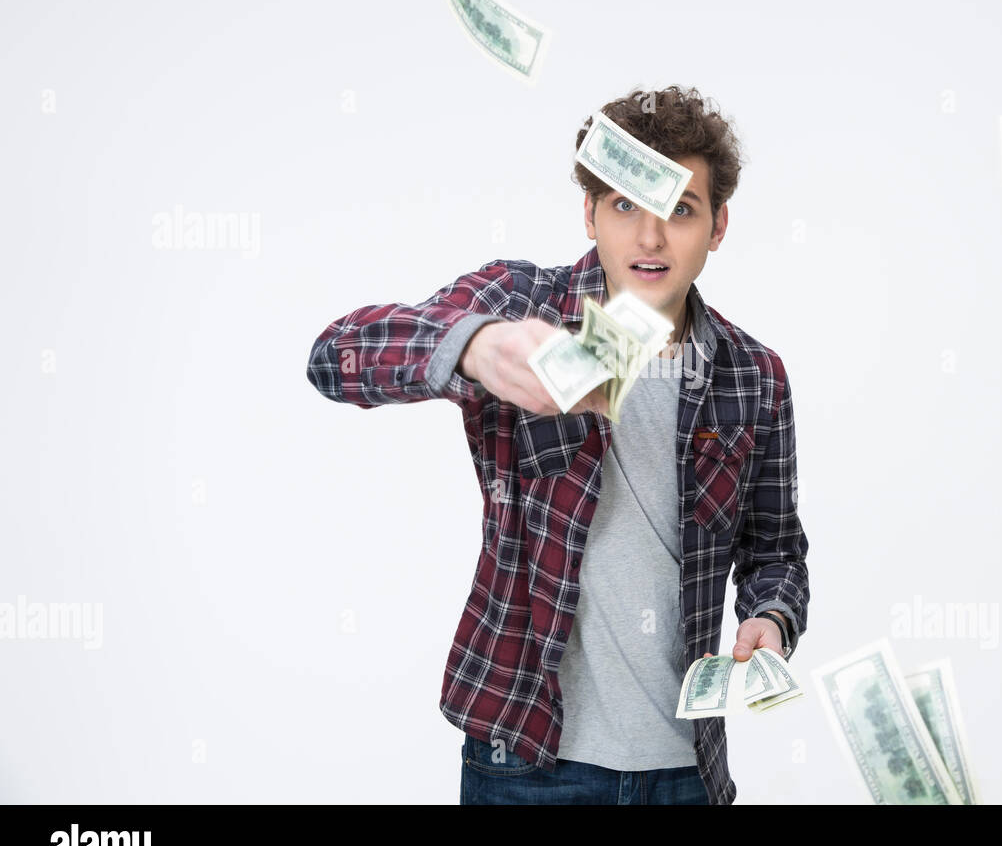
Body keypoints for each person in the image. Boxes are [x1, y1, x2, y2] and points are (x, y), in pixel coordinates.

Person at [305, 84, 810, 805]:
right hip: (527, 761)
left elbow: (777, 551)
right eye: (626, 205)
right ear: (590, 213)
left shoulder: (753, 375)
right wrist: (475, 347)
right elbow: (335, 355)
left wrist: (770, 616)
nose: (650, 239)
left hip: (685, 770)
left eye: (680, 210)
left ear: (719, 225)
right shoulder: (518, 306)